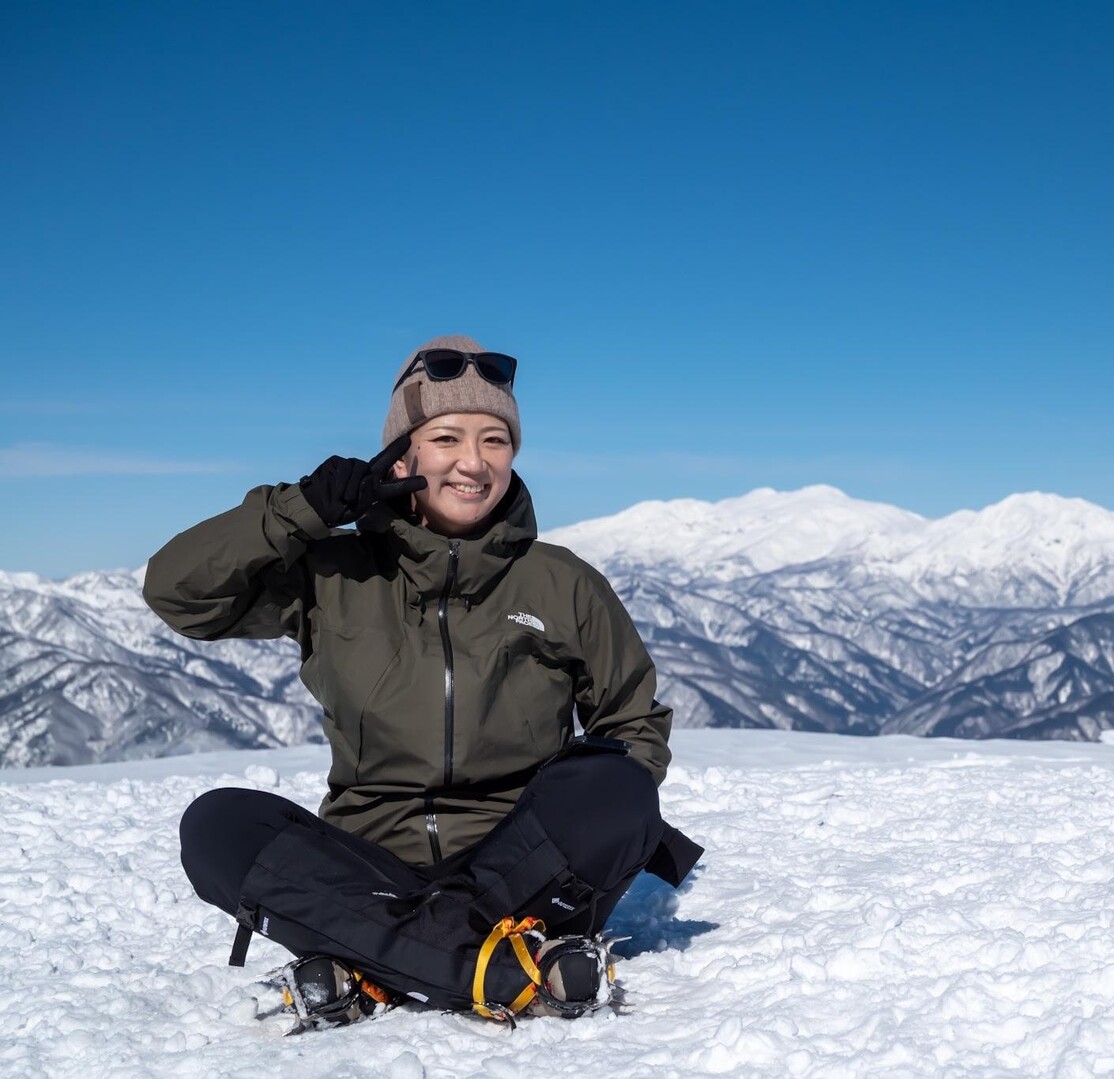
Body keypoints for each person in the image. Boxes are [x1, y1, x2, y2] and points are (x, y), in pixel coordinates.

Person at [143, 335, 701, 1028]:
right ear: (402, 455)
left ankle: (378, 959)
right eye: (447, 438)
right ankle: (495, 966)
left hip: (523, 868)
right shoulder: (334, 573)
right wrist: (300, 509)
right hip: (366, 865)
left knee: (617, 784)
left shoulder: (562, 583)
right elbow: (178, 594)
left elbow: (634, 725)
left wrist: (602, 816)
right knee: (216, 823)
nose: (474, 462)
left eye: (495, 439)